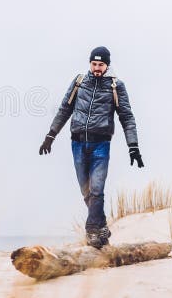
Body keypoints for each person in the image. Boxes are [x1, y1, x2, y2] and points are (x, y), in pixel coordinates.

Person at [38, 46, 144, 249]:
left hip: (100, 144)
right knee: (86, 192)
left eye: (101, 64)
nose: (97, 68)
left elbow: (127, 118)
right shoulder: (79, 82)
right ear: (90, 63)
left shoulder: (116, 86)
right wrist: (50, 135)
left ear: (107, 65)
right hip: (77, 143)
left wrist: (133, 146)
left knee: (97, 189)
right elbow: (64, 109)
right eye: (94, 64)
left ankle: (92, 232)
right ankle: (102, 227)